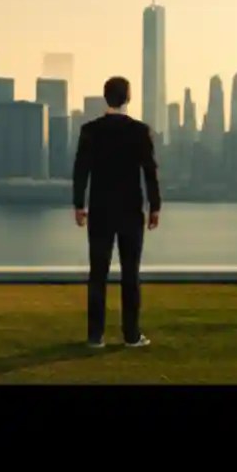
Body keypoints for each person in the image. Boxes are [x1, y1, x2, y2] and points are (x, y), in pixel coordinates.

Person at [72, 76, 161, 349]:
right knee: (130, 274)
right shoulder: (139, 131)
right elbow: (149, 171)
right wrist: (155, 206)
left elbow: (81, 171)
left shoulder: (90, 130)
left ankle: (95, 336)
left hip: (99, 211)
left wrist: (79, 205)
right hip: (130, 212)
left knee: (97, 274)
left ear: (105, 97)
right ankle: (131, 335)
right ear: (128, 97)